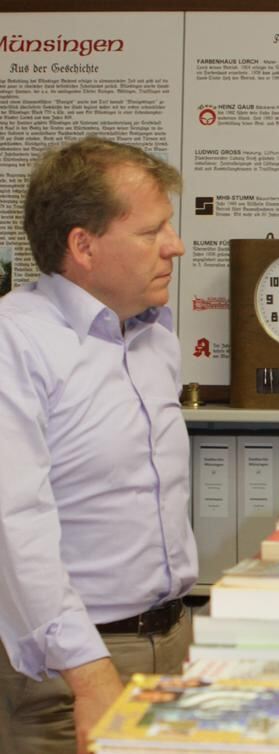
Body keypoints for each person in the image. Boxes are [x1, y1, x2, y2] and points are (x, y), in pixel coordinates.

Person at [0, 137, 198, 754]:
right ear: (82, 245)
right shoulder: (17, 343)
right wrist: (89, 676)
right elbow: (13, 525)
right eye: (151, 232)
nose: (176, 246)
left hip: (174, 646)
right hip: (73, 675)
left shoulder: (152, 335)